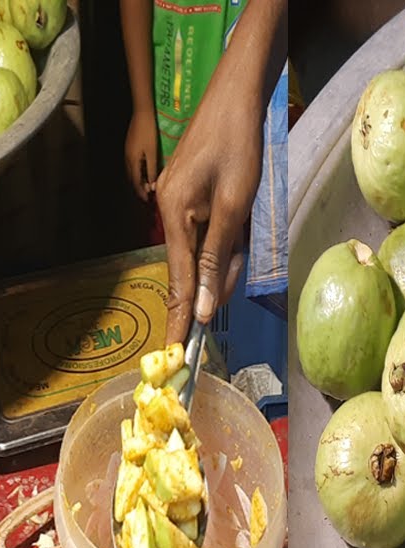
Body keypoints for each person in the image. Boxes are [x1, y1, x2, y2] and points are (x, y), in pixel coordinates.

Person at [121, 0, 287, 346]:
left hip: (247, 144)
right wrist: (142, 109)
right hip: (173, 132)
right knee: (177, 263)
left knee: (224, 256)